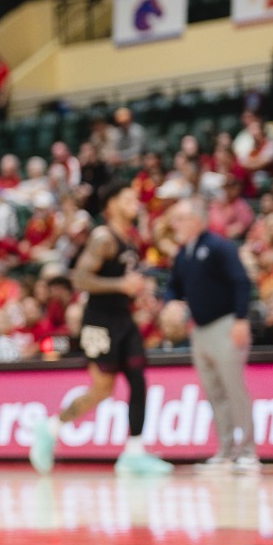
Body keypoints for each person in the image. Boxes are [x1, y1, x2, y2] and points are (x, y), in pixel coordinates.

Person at [29, 186, 171, 476]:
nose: (135, 202)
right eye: (127, 198)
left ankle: (133, 453)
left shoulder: (129, 239)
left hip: (124, 318)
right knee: (102, 390)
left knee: (138, 380)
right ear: (111, 204)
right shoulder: (103, 237)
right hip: (99, 321)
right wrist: (121, 286)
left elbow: (121, 280)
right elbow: (79, 278)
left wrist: (136, 293)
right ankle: (50, 428)